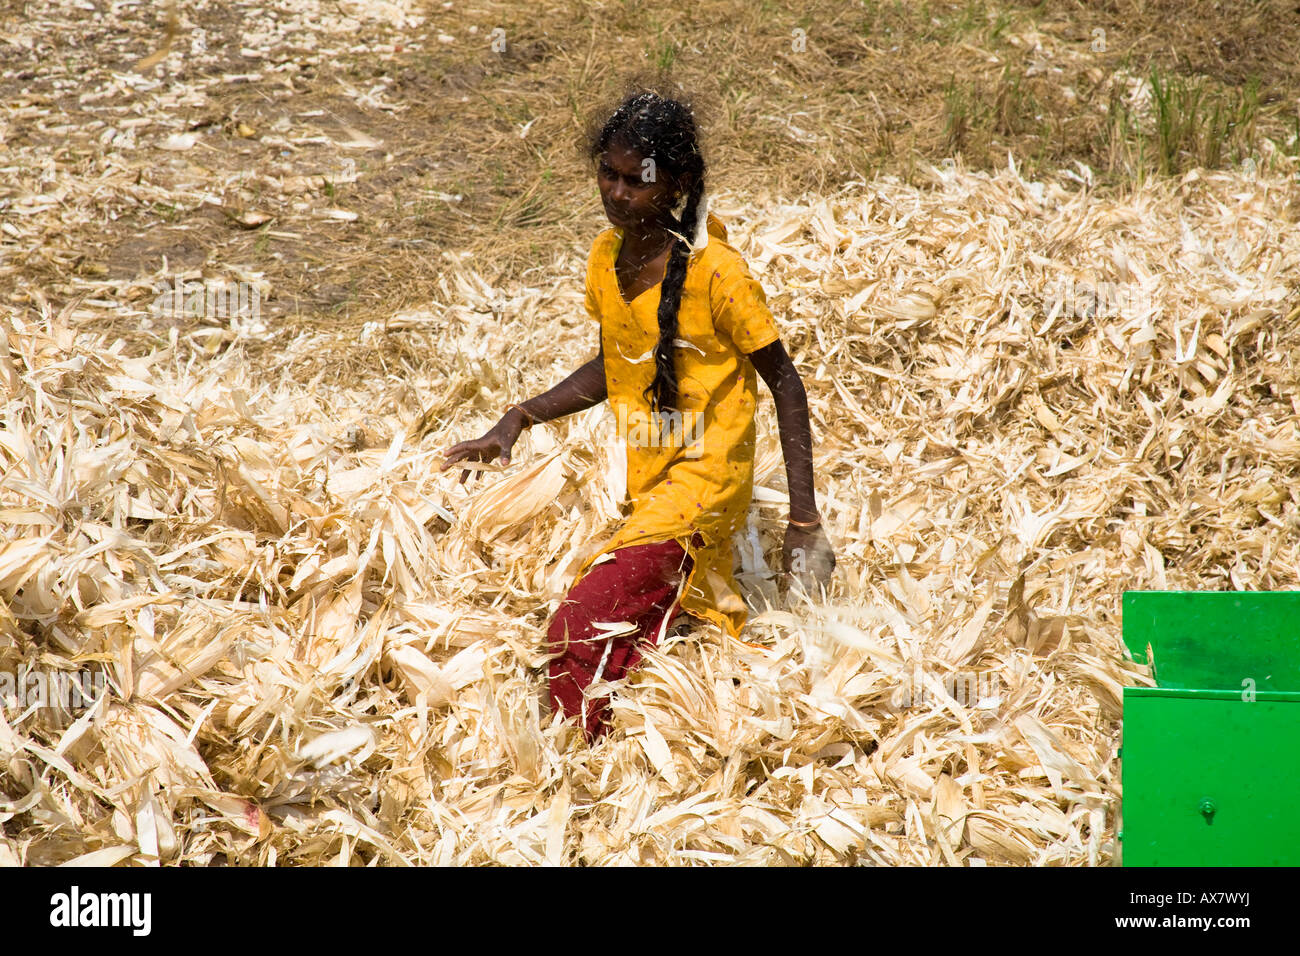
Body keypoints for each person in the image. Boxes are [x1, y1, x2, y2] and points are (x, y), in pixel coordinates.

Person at [441, 88, 834, 740]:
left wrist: (803, 519)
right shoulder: (606, 256)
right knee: (647, 625)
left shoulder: (719, 275)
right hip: (649, 480)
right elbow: (613, 365)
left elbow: (787, 385)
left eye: (637, 182)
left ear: (676, 184)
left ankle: (577, 764)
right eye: (609, 175)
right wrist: (518, 417)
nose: (618, 194)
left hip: (706, 484)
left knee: (576, 626)